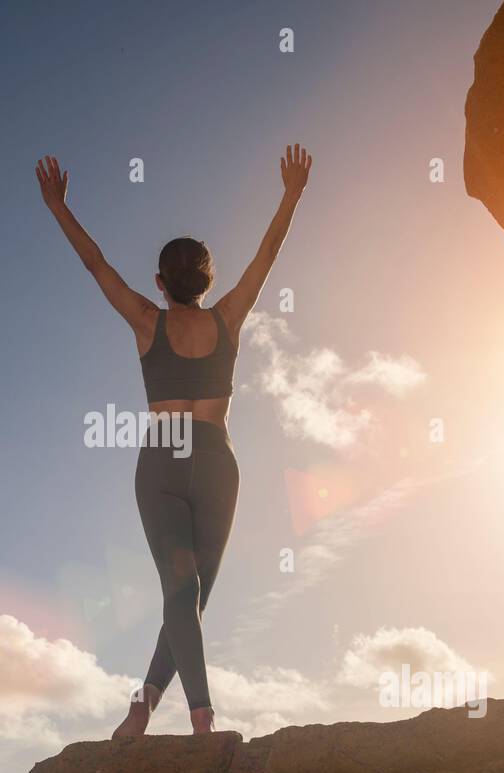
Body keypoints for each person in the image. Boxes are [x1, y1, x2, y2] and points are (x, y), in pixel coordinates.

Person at [35, 145, 313, 735]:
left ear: (160, 282)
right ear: (207, 281)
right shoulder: (229, 317)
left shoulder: (145, 319)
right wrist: (291, 193)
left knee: (179, 593)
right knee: (189, 597)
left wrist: (59, 206)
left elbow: (96, 264)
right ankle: (187, 712)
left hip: (162, 460)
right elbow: (267, 255)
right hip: (215, 461)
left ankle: (154, 708)